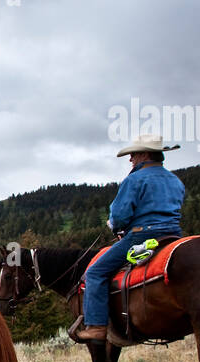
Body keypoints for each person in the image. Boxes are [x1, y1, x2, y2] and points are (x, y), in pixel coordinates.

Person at [73, 134, 187, 343]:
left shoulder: (134, 179)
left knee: (95, 273)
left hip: (142, 234)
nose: (131, 159)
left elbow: (119, 215)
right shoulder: (175, 180)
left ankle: (97, 326)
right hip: (173, 235)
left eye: (133, 154)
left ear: (144, 154)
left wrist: (115, 226)